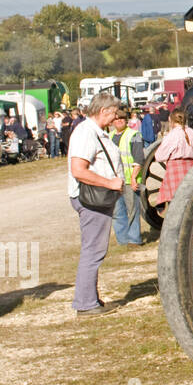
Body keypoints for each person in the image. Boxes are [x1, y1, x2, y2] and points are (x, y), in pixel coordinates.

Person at [67, 92, 124, 316]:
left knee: (94, 250)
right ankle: (85, 303)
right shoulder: (86, 132)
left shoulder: (92, 131)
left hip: (97, 198)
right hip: (93, 199)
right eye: (113, 114)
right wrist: (110, 183)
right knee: (93, 251)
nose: (115, 118)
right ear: (103, 111)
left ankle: (90, 298)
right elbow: (78, 170)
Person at [156, 108, 193, 247]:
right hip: (190, 169)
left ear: (171, 120)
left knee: (176, 208)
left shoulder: (172, 135)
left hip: (175, 171)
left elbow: (159, 156)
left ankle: (178, 240)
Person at [107, 110, 143, 246]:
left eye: (122, 118)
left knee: (132, 210)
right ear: (112, 122)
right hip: (114, 180)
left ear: (126, 120)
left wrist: (134, 178)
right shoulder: (109, 137)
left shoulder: (134, 135)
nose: (119, 121)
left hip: (129, 180)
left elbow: (139, 158)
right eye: (116, 119)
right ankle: (122, 240)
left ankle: (134, 240)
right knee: (117, 211)